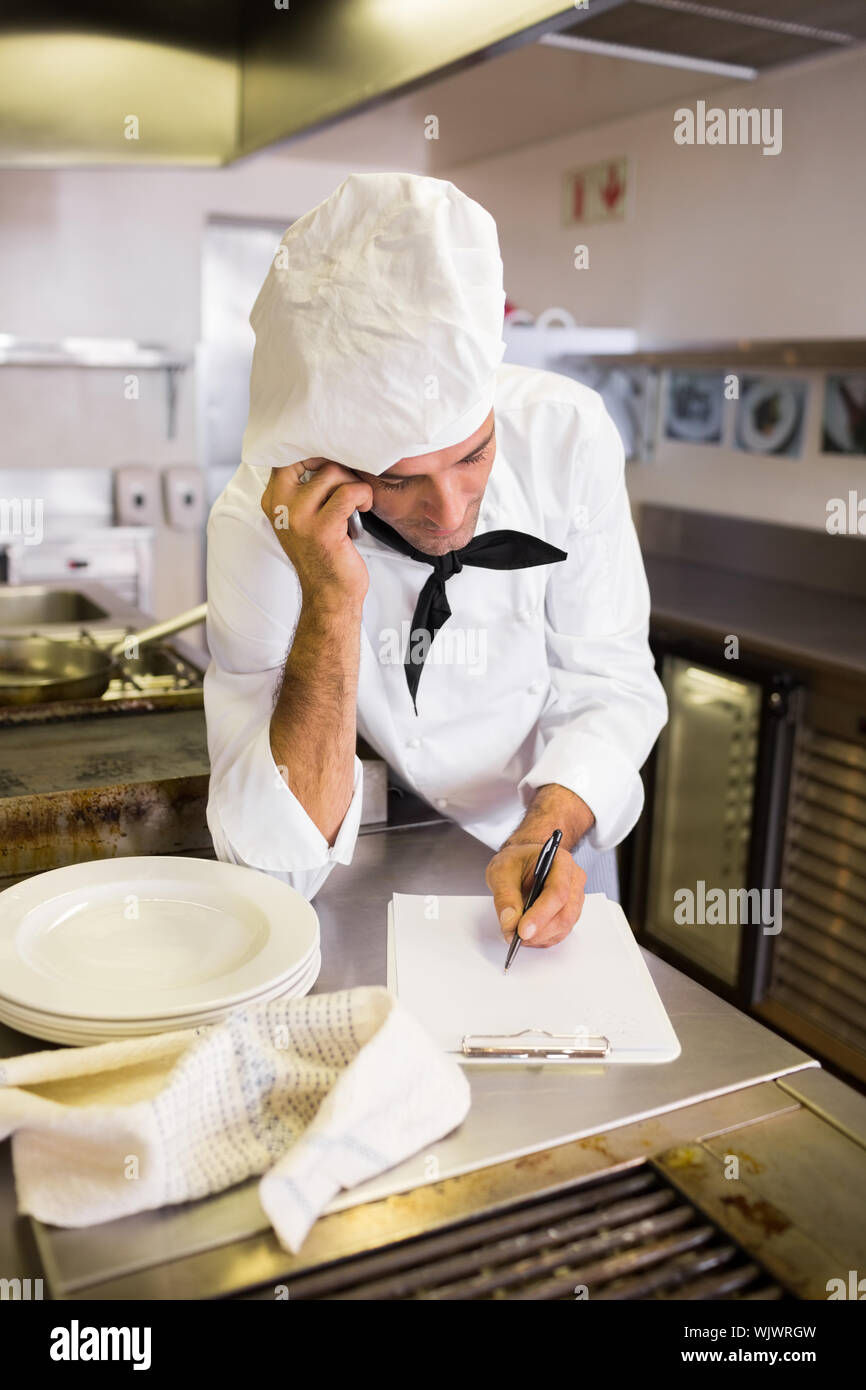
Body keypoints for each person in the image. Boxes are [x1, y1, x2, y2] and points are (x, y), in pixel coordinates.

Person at [203, 171, 667, 952]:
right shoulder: (262, 519)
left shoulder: (566, 434)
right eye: (397, 479)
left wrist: (546, 826)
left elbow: (611, 684)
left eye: (474, 455)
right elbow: (270, 867)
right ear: (325, 464)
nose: (450, 512)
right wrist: (331, 599)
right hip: (380, 858)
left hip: (551, 838)